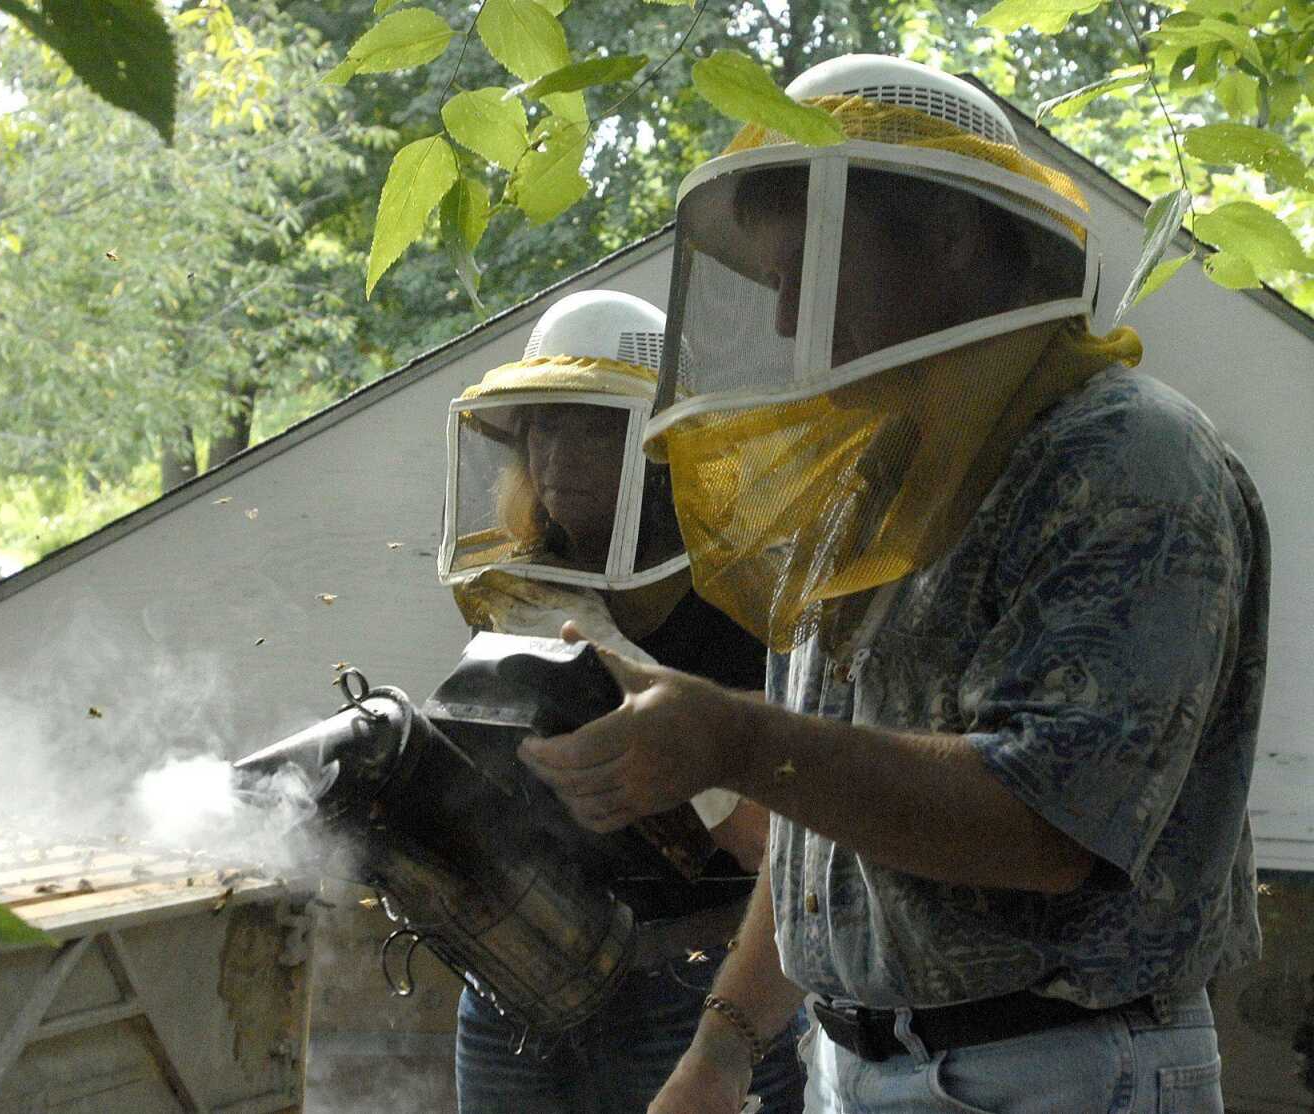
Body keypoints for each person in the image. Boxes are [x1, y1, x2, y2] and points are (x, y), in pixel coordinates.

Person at [516, 56, 1270, 1113]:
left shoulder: (1122, 456)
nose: (785, 323)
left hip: (1060, 1070)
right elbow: (823, 812)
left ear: (949, 236)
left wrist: (730, 738)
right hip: (853, 1067)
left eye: (807, 269)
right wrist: (724, 1047)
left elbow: (1044, 826)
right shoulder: (865, 489)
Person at [440, 289, 808, 1113]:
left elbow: (768, 839)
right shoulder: (519, 585)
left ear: (660, 444)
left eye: (589, 425)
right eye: (541, 425)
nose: (555, 454)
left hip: (699, 986)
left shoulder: (748, 596)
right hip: (517, 981)